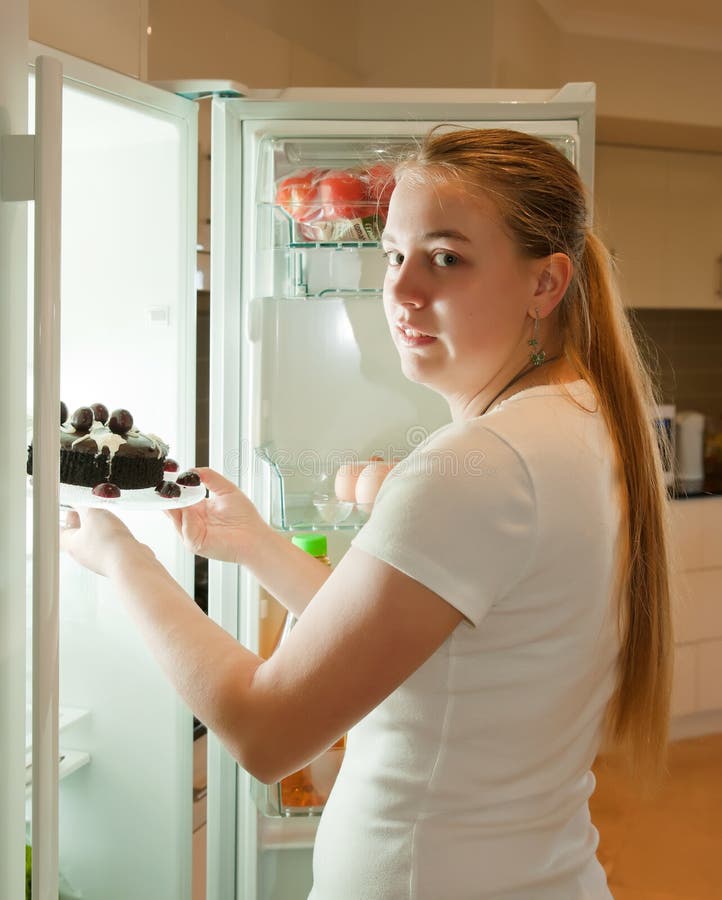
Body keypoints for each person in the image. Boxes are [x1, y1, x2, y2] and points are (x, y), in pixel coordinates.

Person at [61, 128, 673, 899]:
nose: (403, 290)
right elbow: (411, 645)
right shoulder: (577, 422)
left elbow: (265, 732)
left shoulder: (475, 467)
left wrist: (125, 561)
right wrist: (257, 546)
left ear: (545, 285)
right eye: (393, 255)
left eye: (446, 257)